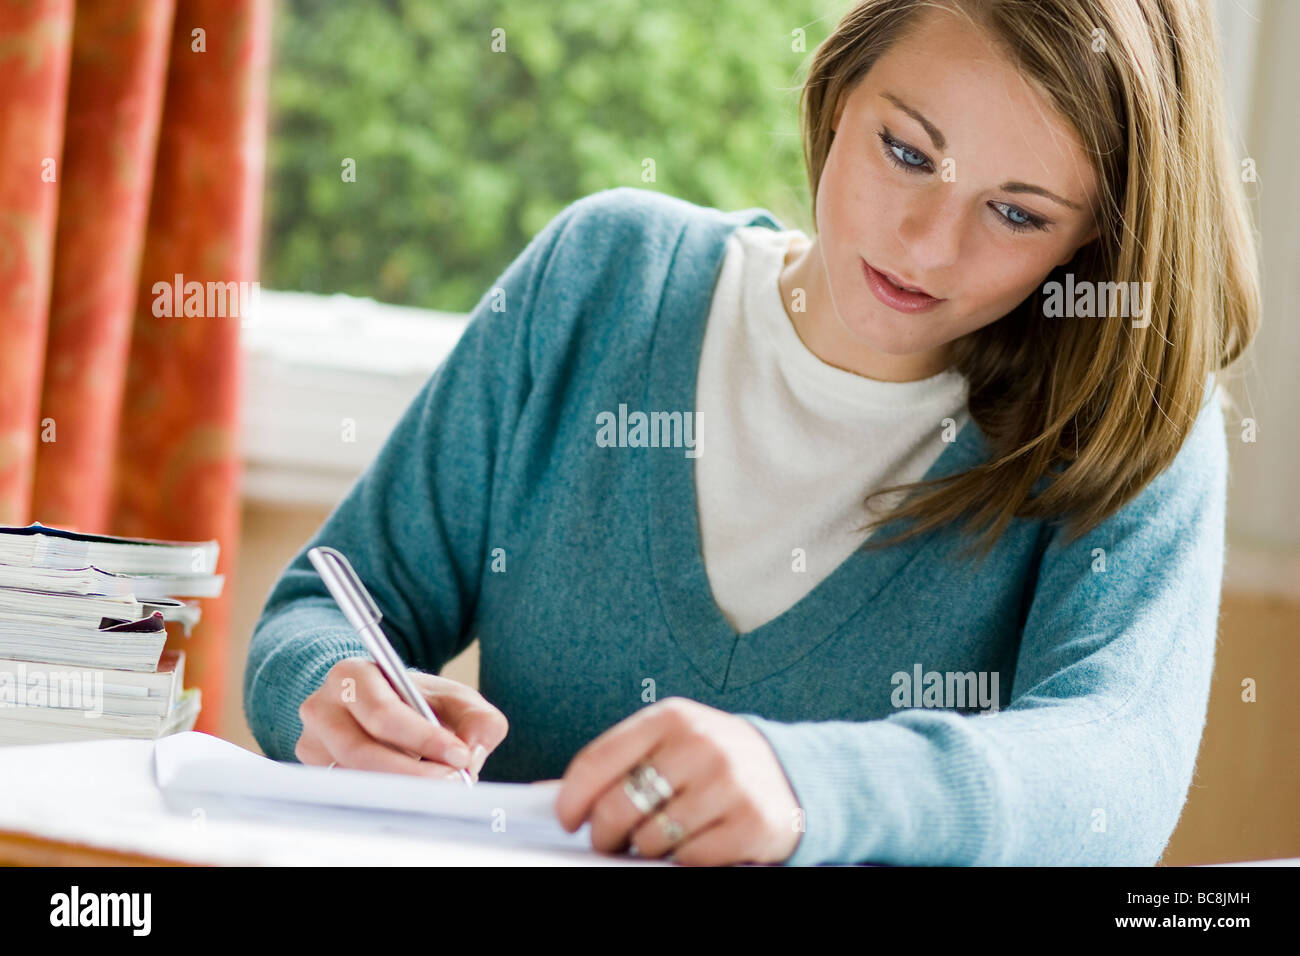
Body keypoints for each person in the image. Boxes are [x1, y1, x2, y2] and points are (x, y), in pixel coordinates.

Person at [244, 0, 1260, 866]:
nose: (926, 241)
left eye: (1018, 214)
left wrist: (806, 784)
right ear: (838, 88)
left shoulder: (1130, 431)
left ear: (1097, 234)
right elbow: (319, 608)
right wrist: (335, 695)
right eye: (906, 151)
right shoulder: (601, 279)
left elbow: (1114, 772)